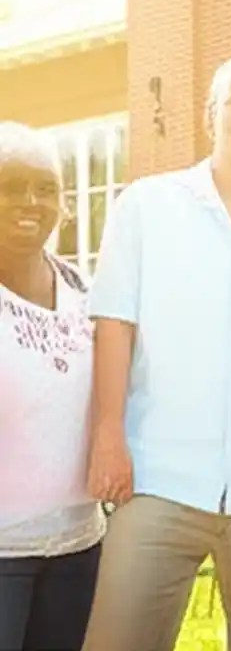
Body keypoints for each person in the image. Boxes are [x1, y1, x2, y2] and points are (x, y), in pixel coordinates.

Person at [82, 51, 231, 651]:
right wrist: (108, 433)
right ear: (212, 113)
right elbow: (115, 323)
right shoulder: (146, 205)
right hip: (156, 477)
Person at [0, 122, 105, 650]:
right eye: (11, 185)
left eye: (45, 188)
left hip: (78, 544)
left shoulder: (87, 292)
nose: (30, 201)